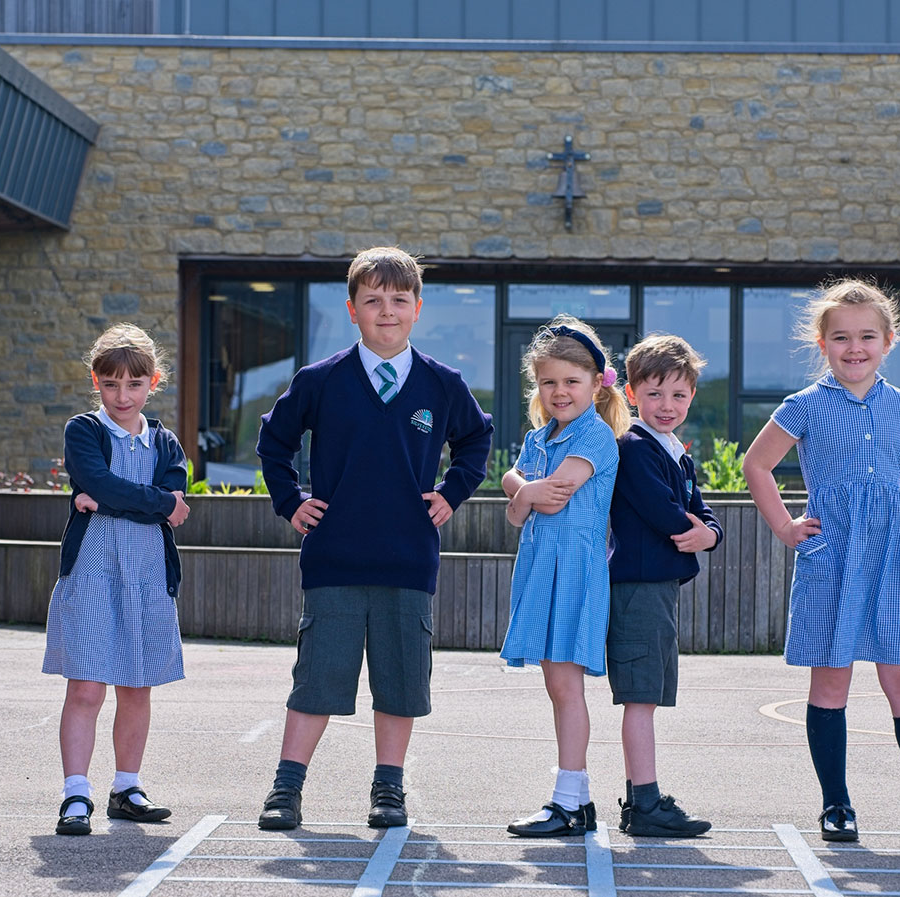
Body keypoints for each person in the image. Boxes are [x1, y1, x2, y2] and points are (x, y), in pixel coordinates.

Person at [254, 246, 493, 831]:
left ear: (417, 308)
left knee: (400, 684)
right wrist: (290, 500)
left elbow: (476, 439)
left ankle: (388, 788)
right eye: (373, 300)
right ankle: (286, 788)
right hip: (334, 559)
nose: (387, 311)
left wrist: (452, 491)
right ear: (352, 309)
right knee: (317, 681)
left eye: (399, 300)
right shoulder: (321, 380)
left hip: (408, 560)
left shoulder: (442, 384)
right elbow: (274, 441)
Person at [741, 279, 900, 847]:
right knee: (831, 682)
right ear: (822, 343)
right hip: (831, 558)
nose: (855, 348)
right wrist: (786, 527)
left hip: (891, 559)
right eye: (842, 337)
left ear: (889, 341)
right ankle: (837, 806)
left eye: (868, 336)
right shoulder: (804, 406)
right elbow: (757, 465)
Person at [44, 324, 191, 835]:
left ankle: (127, 788)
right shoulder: (84, 431)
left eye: (134, 384)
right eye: (110, 384)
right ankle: (75, 794)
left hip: (147, 577)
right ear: (96, 381)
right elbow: (115, 486)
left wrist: (105, 499)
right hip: (92, 573)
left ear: (154, 382)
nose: (122, 396)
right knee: (86, 688)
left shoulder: (166, 442)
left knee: (136, 687)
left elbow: (174, 502)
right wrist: (149, 502)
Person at [498, 316, 629, 837]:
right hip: (541, 567)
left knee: (566, 687)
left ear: (596, 383)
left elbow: (549, 497)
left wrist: (521, 491)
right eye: (548, 381)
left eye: (572, 381)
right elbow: (518, 507)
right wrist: (521, 492)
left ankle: (569, 803)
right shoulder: (540, 437)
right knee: (557, 686)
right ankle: (576, 799)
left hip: (575, 571)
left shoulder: (594, 436)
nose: (559, 391)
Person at [606, 333, 720, 837]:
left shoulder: (675, 452)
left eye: (678, 394)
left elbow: (701, 510)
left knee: (646, 696)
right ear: (632, 393)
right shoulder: (634, 447)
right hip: (637, 588)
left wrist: (710, 533)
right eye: (654, 394)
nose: (667, 405)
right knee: (640, 698)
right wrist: (695, 532)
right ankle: (646, 804)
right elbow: (666, 512)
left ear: (692, 395)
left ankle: (642, 800)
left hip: (658, 587)